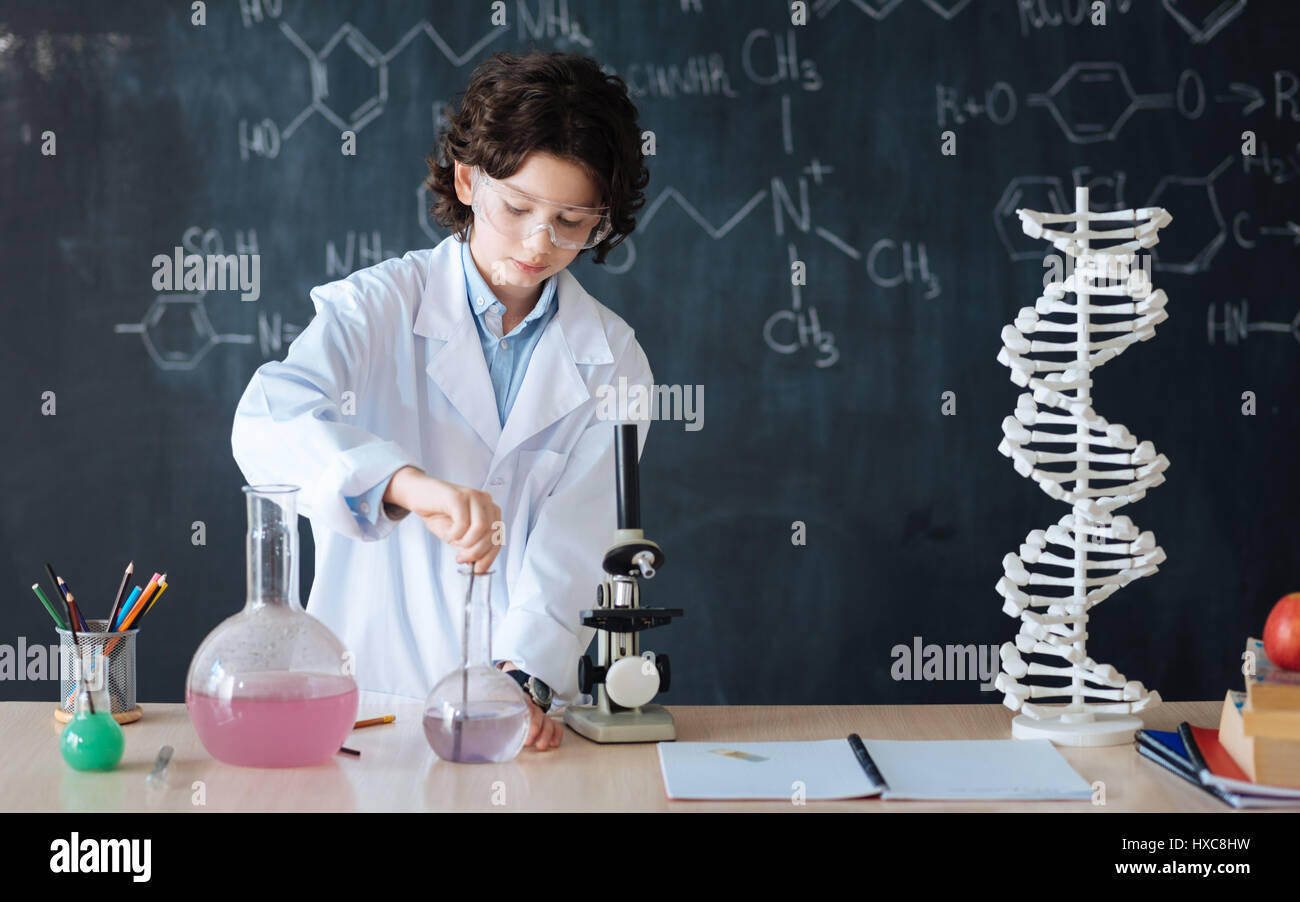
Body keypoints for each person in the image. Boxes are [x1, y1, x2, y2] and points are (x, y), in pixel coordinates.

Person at [231, 50, 652, 752]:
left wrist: (518, 682)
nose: (538, 242)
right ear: (467, 179)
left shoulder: (615, 362)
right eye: (518, 207)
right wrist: (403, 485)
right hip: (366, 702)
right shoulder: (377, 308)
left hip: (517, 719)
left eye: (573, 221)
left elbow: (576, 550)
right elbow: (267, 422)